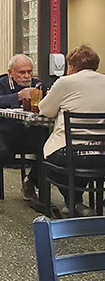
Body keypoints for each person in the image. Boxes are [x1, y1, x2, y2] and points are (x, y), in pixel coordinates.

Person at [38, 44, 105, 216]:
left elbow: (45, 110)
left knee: (49, 161)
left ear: (72, 66)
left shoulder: (65, 82)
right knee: (85, 166)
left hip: (71, 155)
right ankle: (79, 204)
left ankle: (74, 202)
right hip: (101, 154)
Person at [0, 54, 45, 201]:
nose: (27, 76)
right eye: (22, 72)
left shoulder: (37, 85)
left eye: (29, 71)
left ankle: (31, 181)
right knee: (4, 151)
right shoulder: (2, 84)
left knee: (49, 150)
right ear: (11, 73)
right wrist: (18, 96)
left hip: (30, 130)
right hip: (3, 129)